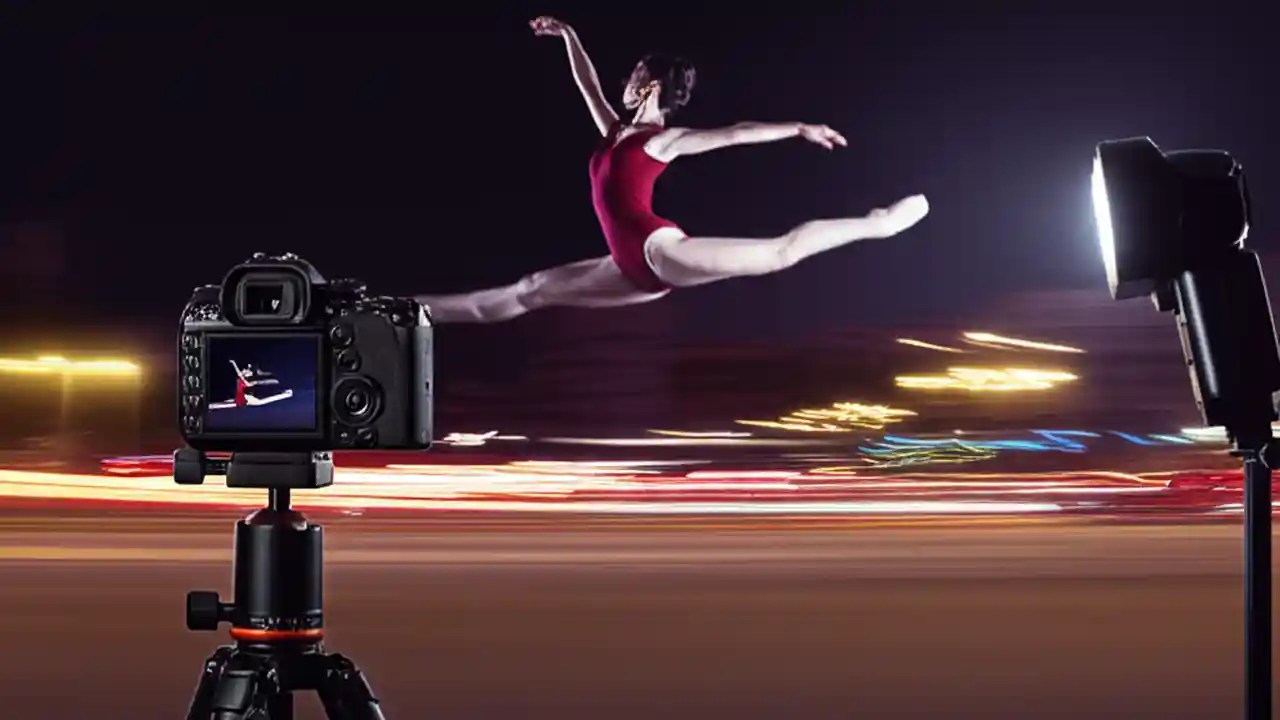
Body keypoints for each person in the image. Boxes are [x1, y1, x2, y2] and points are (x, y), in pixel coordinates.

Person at [418, 16, 930, 324]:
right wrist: (569, 35)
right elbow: (587, 85)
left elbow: (734, 132)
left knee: (780, 252)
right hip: (623, 270)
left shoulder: (661, 141)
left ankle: (879, 223)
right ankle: (413, 310)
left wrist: (797, 127)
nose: (625, 79)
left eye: (635, 74)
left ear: (651, 85)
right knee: (528, 291)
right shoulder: (616, 132)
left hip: (658, 252)